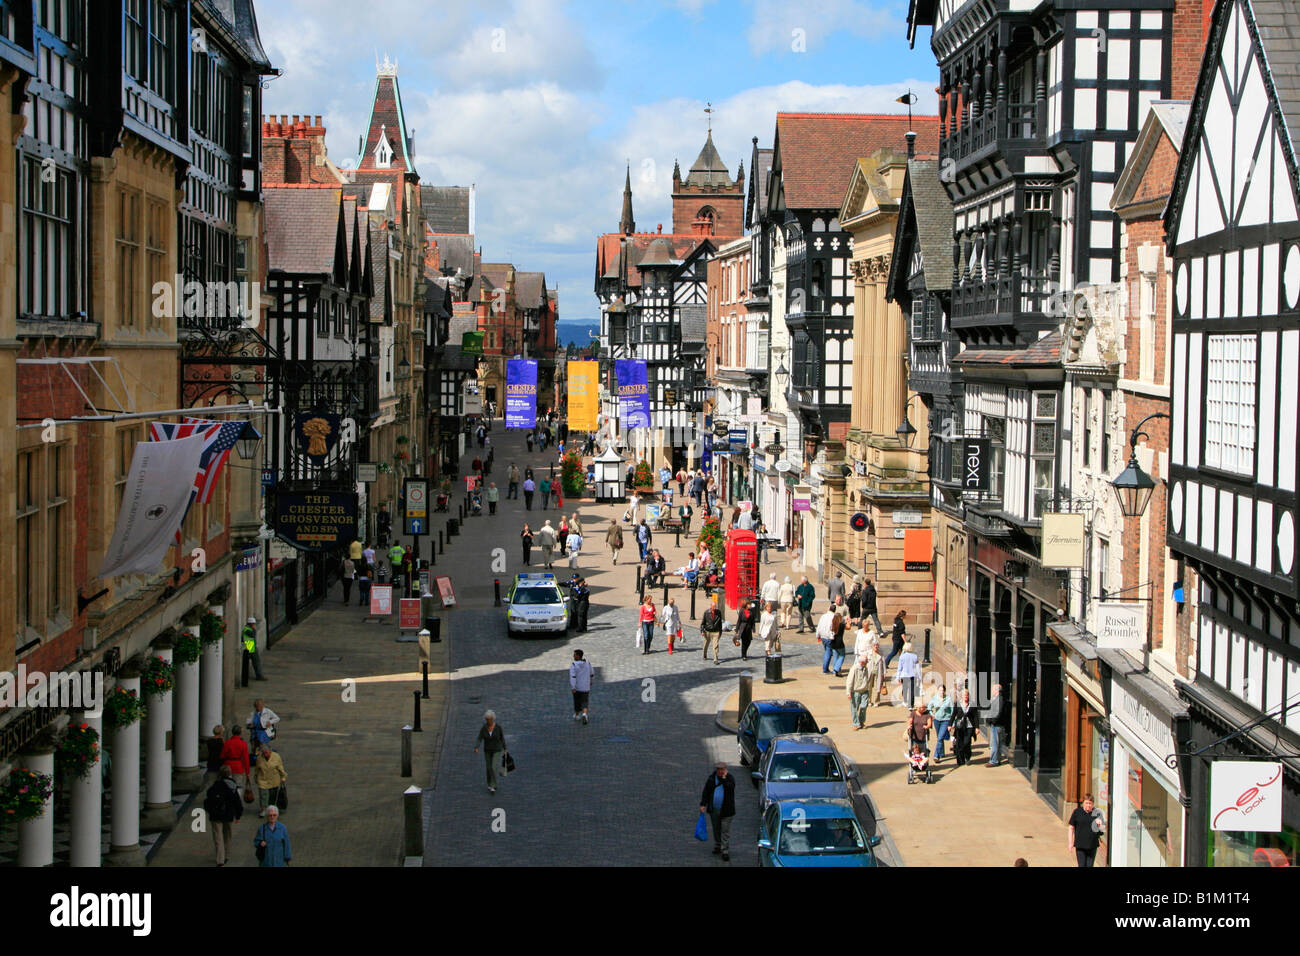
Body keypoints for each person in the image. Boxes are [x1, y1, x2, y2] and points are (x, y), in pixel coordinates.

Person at [203, 766, 243, 866]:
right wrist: (238, 815)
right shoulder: (233, 786)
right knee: (227, 835)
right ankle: (227, 855)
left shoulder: (215, 786)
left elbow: (208, 798)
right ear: (229, 774)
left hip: (216, 816)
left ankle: (220, 859)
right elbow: (237, 802)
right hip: (228, 815)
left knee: (218, 838)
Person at [699, 762, 736, 861]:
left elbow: (730, 788)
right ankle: (718, 845)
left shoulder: (730, 778)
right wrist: (703, 804)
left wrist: (724, 779)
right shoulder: (711, 779)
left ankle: (725, 850)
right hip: (714, 809)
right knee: (716, 828)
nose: (720, 771)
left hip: (727, 811)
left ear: (725, 770)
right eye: (718, 769)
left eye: (722, 769)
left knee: (725, 830)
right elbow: (706, 791)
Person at [473, 710, 508, 794]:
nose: (488, 721)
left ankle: (493, 785)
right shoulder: (484, 728)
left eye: (489, 719)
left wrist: (505, 748)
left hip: (496, 750)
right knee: (488, 768)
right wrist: (476, 747)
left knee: (493, 766)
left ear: (493, 719)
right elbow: (480, 737)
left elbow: (502, 738)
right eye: (487, 719)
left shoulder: (498, 727)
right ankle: (489, 783)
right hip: (487, 750)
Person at [1068, 794, 1106, 867]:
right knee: (1081, 865)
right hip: (1080, 845)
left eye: (1090, 803)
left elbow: (1101, 832)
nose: (1088, 805)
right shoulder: (1077, 812)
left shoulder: (1097, 813)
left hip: (1092, 845)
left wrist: (1099, 825)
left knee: (1090, 865)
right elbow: (1071, 827)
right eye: (1087, 803)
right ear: (1083, 803)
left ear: (1093, 804)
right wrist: (1070, 843)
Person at [253, 743, 287, 817]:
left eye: (266, 753)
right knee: (263, 795)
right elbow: (257, 769)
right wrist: (256, 778)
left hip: (274, 779)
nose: (265, 754)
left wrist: (283, 777)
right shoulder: (259, 759)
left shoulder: (276, 757)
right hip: (263, 779)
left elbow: (280, 768)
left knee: (272, 796)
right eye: (264, 753)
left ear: (270, 751)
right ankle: (263, 809)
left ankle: (271, 809)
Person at [846, 653, 875, 730]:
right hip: (855, 691)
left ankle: (862, 721)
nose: (867, 663)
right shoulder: (854, 669)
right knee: (854, 708)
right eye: (866, 661)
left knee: (864, 706)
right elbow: (849, 681)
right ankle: (856, 723)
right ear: (862, 662)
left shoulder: (866, 668)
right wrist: (848, 692)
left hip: (865, 690)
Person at [220, 725, 251, 791]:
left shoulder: (228, 742)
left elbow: (222, 756)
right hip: (238, 767)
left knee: (227, 786)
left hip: (228, 766)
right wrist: (247, 772)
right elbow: (246, 759)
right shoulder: (243, 743)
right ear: (240, 733)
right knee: (238, 786)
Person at [952, 688, 978, 766]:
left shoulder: (972, 704)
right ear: (961, 696)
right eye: (964, 695)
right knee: (959, 743)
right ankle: (960, 760)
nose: (965, 696)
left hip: (969, 727)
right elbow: (953, 714)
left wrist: (977, 727)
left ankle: (967, 757)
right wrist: (950, 725)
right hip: (960, 727)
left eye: (967, 695)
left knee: (966, 743)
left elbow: (975, 716)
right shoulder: (958, 704)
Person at [982, 684, 1006, 767]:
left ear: (997, 690)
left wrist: (992, 721)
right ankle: (996, 760)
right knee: (997, 743)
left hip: (996, 725)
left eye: (993, 689)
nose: (992, 691)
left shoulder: (999, 699)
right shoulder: (997, 699)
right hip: (996, 724)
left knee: (995, 743)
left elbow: (998, 712)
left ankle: (993, 761)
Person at [929, 685, 955, 761]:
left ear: (945, 691)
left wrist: (952, 723)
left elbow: (953, 711)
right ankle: (942, 753)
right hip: (937, 720)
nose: (941, 692)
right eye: (940, 690)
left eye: (943, 690)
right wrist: (932, 714)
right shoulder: (934, 698)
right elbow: (929, 707)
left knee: (940, 738)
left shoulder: (948, 699)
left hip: (946, 720)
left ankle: (936, 755)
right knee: (940, 737)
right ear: (937, 691)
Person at [569, 649, 593, 724]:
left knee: (577, 701)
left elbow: (573, 677)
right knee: (585, 701)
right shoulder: (587, 663)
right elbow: (592, 673)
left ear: (578, 656)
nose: (573, 656)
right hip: (586, 686)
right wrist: (591, 680)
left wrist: (573, 687)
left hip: (577, 687)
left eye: (575, 654)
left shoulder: (574, 665)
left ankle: (576, 715)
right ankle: (585, 714)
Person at [895, 641, 921, 708]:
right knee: (912, 690)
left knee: (905, 688)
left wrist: (898, 677)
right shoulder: (915, 656)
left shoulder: (902, 657)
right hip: (912, 675)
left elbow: (899, 668)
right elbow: (918, 668)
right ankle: (911, 705)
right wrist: (919, 677)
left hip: (904, 675)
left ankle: (905, 701)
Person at [700, 595, 724, 665]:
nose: (714, 608)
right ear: (710, 607)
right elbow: (703, 623)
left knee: (715, 646)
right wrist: (702, 631)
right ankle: (704, 654)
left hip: (716, 631)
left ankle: (715, 659)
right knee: (706, 644)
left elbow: (720, 623)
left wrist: (720, 631)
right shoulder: (706, 613)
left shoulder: (718, 612)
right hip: (708, 631)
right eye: (713, 607)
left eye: (715, 606)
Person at [736, 596, 761, 660]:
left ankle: (744, 652)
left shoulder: (751, 612)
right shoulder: (742, 611)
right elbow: (739, 620)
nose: (750, 605)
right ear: (746, 605)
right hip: (743, 627)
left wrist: (754, 629)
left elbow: (753, 621)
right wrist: (737, 629)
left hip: (748, 628)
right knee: (744, 642)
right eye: (749, 604)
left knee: (749, 641)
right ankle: (744, 655)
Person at [241, 617, 265, 681]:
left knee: (255, 662)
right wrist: (254, 630)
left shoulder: (246, 629)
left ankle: (258, 675)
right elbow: (252, 635)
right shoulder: (248, 630)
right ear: (251, 624)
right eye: (254, 624)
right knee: (256, 662)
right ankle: (259, 675)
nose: (254, 625)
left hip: (249, 646)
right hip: (250, 647)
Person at [203, 725, 226, 791]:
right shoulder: (221, 741)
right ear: (221, 732)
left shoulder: (209, 741)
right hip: (220, 763)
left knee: (211, 783)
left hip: (211, 763)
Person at [816, 606, 838, 673]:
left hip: (823, 636)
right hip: (829, 637)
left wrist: (818, 635)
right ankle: (825, 669)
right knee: (828, 652)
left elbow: (819, 626)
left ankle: (826, 668)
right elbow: (833, 627)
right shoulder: (834, 617)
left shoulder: (823, 616)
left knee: (827, 651)